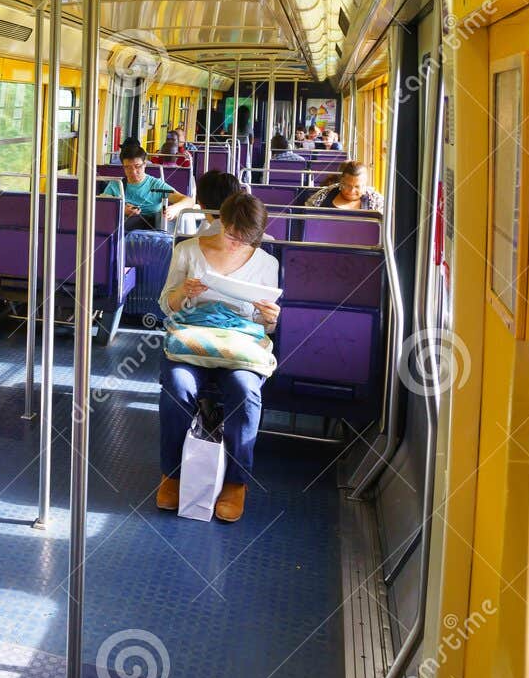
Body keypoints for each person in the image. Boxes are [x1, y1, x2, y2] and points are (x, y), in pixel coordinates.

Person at [156, 193, 280, 523]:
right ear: (220, 223)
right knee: (177, 385)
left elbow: (264, 324)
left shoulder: (268, 264)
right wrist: (185, 293)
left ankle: (236, 482)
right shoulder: (187, 252)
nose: (238, 244)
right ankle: (172, 474)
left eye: (246, 240)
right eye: (232, 236)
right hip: (193, 339)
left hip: (238, 343)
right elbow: (165, 306)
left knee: (245, 391)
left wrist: (270, 317)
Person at [102, 139, 192, 229]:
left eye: (137, 166)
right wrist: (121, 209)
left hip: (153, 233)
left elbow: (188, 201)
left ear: (144, 164)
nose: (133, 172)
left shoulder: (156, 186)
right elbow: (101, 207)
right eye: (128, 167)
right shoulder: (116, 185)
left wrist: (174, 209)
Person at [301, 160, 385, 210]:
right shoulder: (323, 195)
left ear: (365, 185)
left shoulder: (376, 202)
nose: (352, 191)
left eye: (357, 186)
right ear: (341, 182)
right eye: (348, 185)